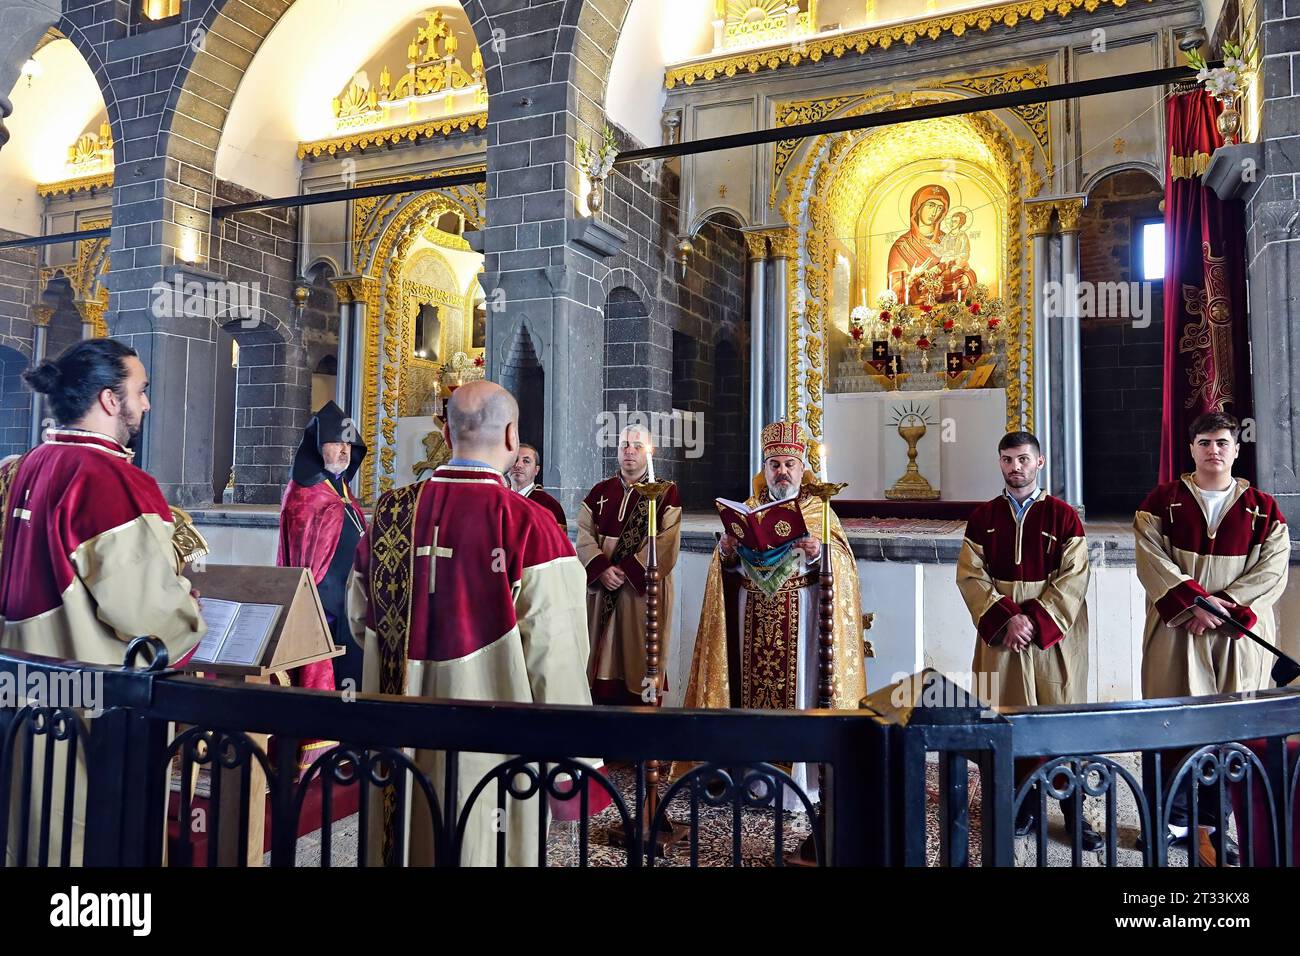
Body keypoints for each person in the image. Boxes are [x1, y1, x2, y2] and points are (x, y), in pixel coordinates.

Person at [347, 380, 603, 866]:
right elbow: (556, 658)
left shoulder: (389, 514)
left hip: (396, 739)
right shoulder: (530, 525)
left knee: (402, 845)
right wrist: (573, 769)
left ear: (445, 432)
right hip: (491, 756)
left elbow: (361, 622)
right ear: (512, 436)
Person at [0, 338, 205, 865]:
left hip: (25, 689)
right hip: (90, 699)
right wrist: (188, 607)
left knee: (33, 825)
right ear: (110, 400)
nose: (148, 403)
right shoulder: (111, 480)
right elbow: (147, 615)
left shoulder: (28, 465)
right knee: (89, 837)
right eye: (141, 390)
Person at [683, 420, 866, 810]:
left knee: (798, 694)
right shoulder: (748, 510)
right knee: (753, 700)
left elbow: (845, 567)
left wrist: (818, 551)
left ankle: (799, 785)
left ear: (802, 468)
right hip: (753, 615)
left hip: (800, 616)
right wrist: (728, 552)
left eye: (789, 464)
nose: (781, 471)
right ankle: (753, 779)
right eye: (774, 464)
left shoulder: (820, 511)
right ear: (764, 469)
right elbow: (726, 573)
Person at [1135, 411, 1288, 860]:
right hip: (1178, 632)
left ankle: (1215, 824)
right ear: (1191, 449)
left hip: (1237, 637)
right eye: (1205, 442)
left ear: (1236, 449)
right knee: (1173, 721)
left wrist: (1223, 610)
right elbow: (1150, 559)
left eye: (1222, 442)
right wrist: (1194, 605)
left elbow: (1272, 571)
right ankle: (1168, 819)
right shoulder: (1161, 501)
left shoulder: (1263, 508)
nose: (1214, 450)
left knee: (1230, 730)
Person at [955, 431, 1098, 848]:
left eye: (1022, 459)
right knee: (1003, 717)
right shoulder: (983, 517)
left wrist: (1033, 621)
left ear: (1039, 463)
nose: (1014, 467)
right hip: (1000, 639)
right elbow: (969, 574)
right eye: (1006, 460)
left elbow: (1074, 578)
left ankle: (1074, 814)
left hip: (1055, 640)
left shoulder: (1064, 516)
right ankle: (1021, 806)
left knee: (1061, 718)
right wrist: (1006, 619)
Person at [576, 425, 681, 705]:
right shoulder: (600, 492)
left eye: (637, 446)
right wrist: (601, 568)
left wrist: (631, 570)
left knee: (639, 657)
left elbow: (667, 541)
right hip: (603, 591)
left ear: (647, 452)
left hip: (642, 592)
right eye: (624, 445)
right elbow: (584, 535)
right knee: (601, 658)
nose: (629, 451)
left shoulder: (664, 493)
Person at [277, 401, 368, 692]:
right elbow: (304, 559)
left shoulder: (341, 489)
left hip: (353, 601)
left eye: (349, 445)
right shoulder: (303, 494)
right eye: (336, 443)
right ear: (318, 446)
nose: (344, 451)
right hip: (323, 606)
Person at [887, 184, 976, 304]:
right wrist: (912, 277)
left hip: (947, 311)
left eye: (940, 208)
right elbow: (893, 289)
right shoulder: (902, 246)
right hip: (914, 314)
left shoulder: (949, 239)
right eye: (931, 205)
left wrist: (966, 278)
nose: (935, 212)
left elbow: (963, 266)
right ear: (917, 208)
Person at [508, 442, 566, 529]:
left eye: (526, 461)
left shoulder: (550, 506)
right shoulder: (497, 500)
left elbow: (556, 542)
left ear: (536, 470)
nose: (518, 465)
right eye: (514, 460)